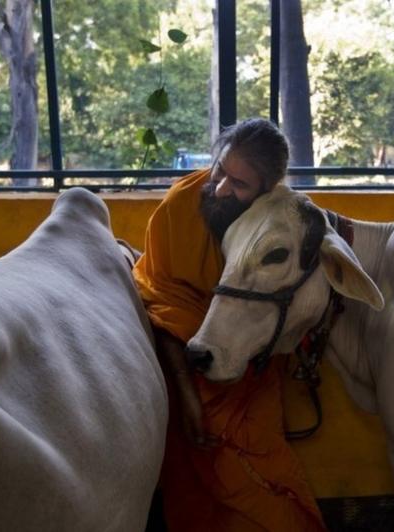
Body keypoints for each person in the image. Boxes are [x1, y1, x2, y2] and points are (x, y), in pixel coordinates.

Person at [133, 118, 326, 532]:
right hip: (185, 374)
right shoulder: (178, 207)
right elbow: (161, 307)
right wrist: (186, 397)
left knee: (267, 483)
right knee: (197, 495)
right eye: (220, 170)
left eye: (239, 184)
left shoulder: (271, 218)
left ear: (267, 189)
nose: (220, 188)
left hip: (249, 379)